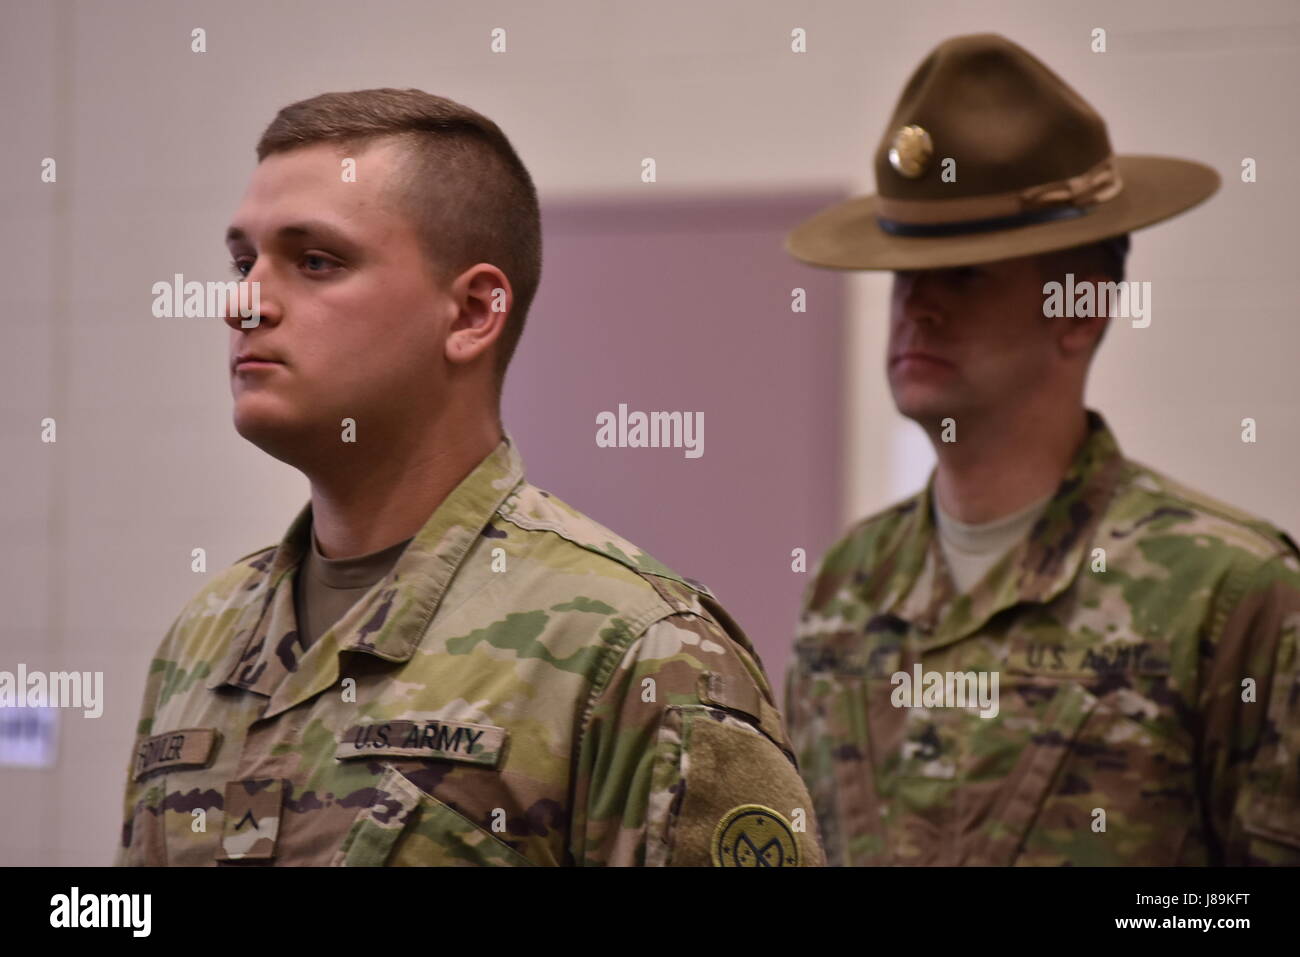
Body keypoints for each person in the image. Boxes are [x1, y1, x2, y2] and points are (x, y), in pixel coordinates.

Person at [113, 88, 823, 867]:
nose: (245, 302)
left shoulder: (633, 653)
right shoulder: (202, 638)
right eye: (244, 261)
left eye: (316, 261)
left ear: (473, 313)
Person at [782, 33, 1300, 865]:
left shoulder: (1229, 591)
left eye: (967, 274)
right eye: (904, 274)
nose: (919, 307)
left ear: (1079, 308)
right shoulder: (849, 579)